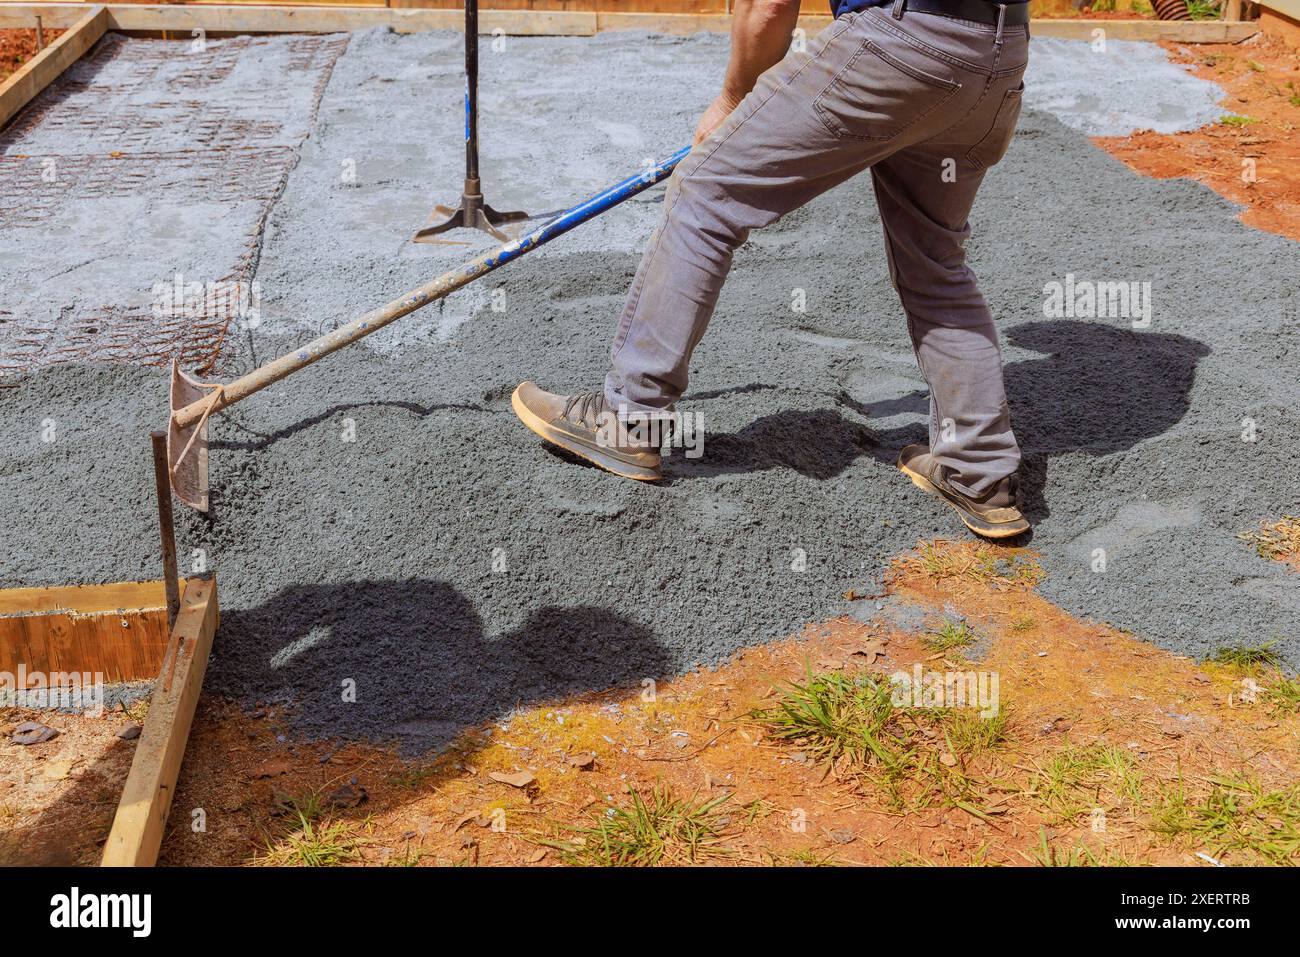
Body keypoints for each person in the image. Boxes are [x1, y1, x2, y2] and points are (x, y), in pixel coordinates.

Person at [511, 0, 1031, 539]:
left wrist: (734, 98)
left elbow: (769, 7)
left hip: (899, 45)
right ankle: (979, 471)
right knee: (936, 260)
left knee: (704, 193)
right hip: (998, 61)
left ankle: (627, 416)